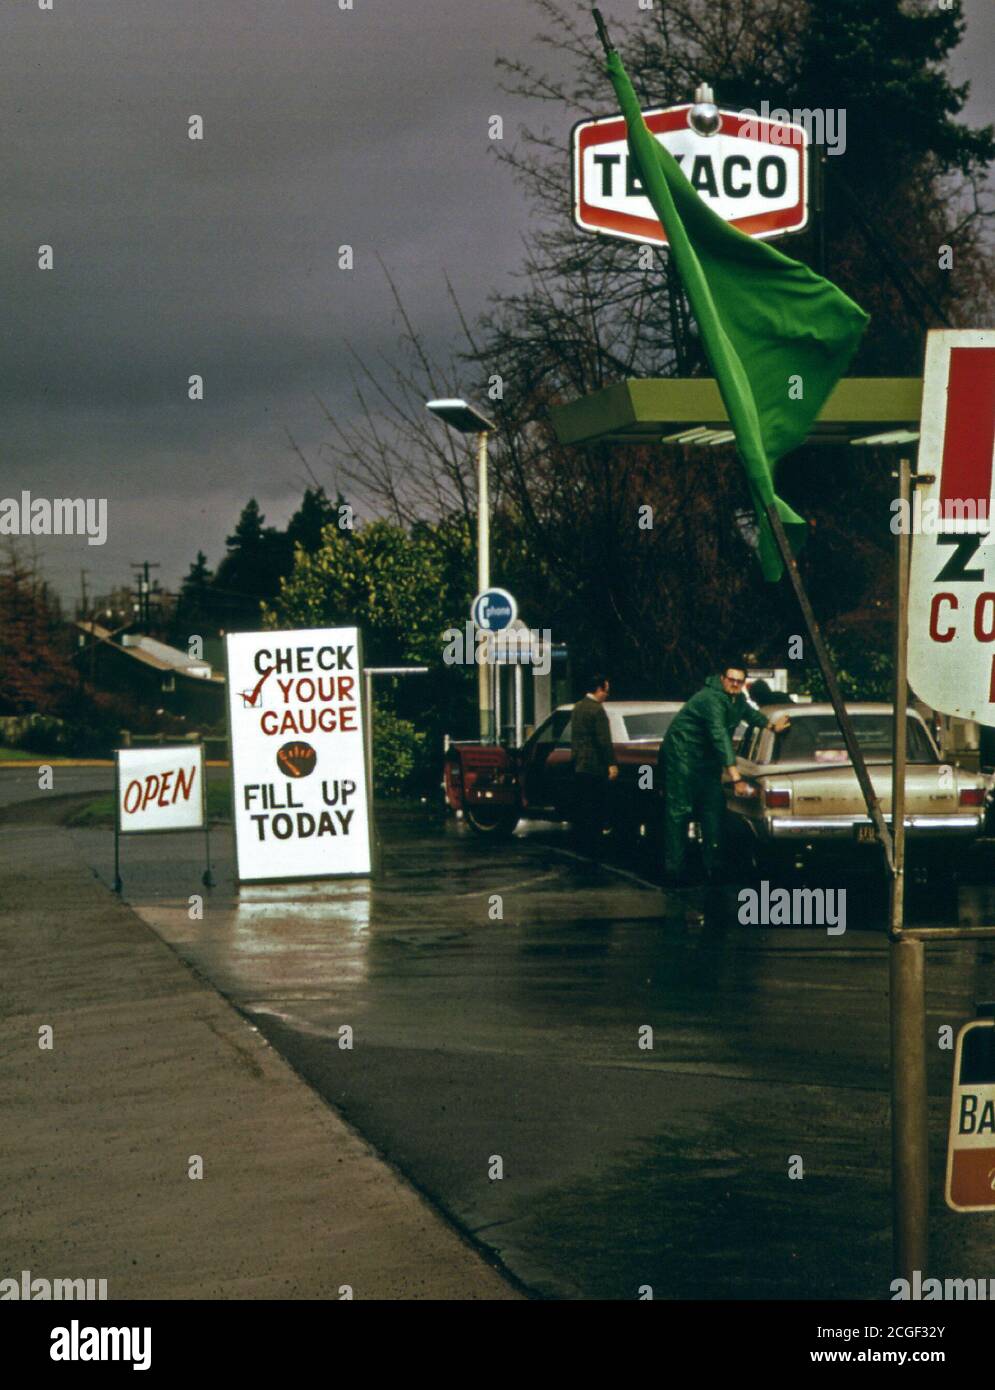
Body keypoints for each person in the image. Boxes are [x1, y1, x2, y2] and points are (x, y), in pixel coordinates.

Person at [660, 659, 790, 883]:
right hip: (682, 756)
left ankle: (713, 866)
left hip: (707, 761)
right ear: (722, 679)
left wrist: (771, 726)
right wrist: (736, 777)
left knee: (713, 808)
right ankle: (674, 870)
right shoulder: (710, 699)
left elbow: (750, 714)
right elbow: (719, 736)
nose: (735, 684)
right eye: (731, 680)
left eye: (739, 681)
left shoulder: (737, 699)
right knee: (679, 811)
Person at [570, 673, 618, 857]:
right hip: (595, 766)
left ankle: (581, 846)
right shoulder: (597, 710)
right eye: (606, 690)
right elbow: (603, 740)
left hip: (579, 765)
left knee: (583, 808)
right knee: (596, 809)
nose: (607, 694)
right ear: (599, 689)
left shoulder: (578, 707)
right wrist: (611, 764)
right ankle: (595, 848)